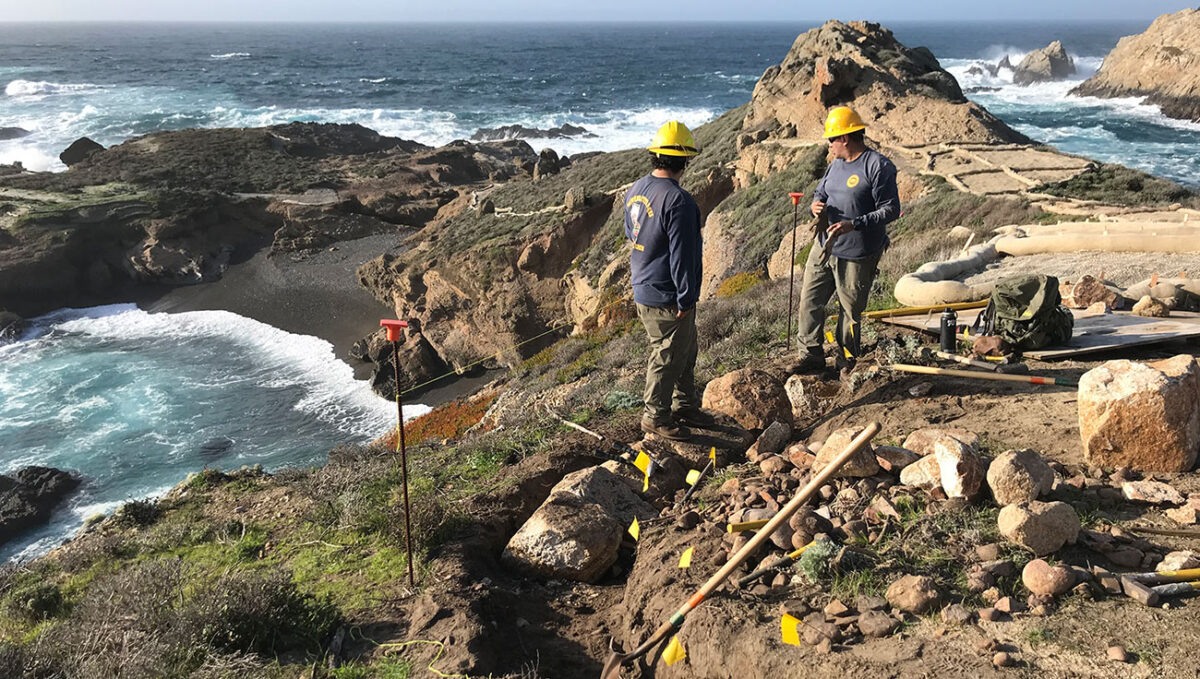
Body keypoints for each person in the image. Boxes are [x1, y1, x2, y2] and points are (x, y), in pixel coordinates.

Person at [791, 106, 900, 379]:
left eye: (832, 139)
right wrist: (815, 207)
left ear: (846, 138)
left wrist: (855, 224)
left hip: (857, 253)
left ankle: (847, 360)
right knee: (809, 301)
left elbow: (891, 210)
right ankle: (811, 355)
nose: (829, 144)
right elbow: (821, 193)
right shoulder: (835, 165)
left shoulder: (878, 166)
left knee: (850, 311)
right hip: (825, 245)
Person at [625, 121, 716, 441]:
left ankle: (686, 405)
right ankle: (655, 416)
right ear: (685, 160)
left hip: (644, 284)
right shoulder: (679, 201)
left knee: (684, 350)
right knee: (666, 355)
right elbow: (683, 256)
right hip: (667, 293)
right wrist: (687, 297)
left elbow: (631, 234)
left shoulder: (636, 189)